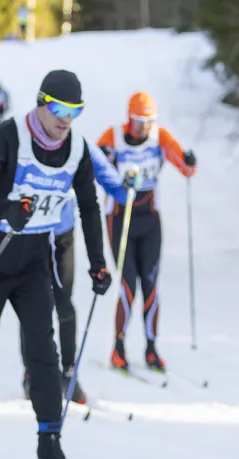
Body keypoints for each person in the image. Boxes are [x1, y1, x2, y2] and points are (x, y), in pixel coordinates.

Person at [0, 70, 114, 459]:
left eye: (74, 111)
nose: (65, 119)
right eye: (58, 109)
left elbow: (89, 207)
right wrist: (5, 208)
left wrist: (98, 261)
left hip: (33, 262)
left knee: (44, 355)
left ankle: (50, 445)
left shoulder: (75, 148)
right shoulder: (7, 138)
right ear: (41, 103)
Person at [21, 130, 136, 406]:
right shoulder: (25, 141)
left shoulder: (79, 146)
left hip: (63, 235)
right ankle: (32, 373)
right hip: (30, 235)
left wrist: (130, 183)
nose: (61, 122)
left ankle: (68, 373)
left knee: (64, 303)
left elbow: (117, 189)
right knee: (33, 305)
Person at [96, 92, 196, 373]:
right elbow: (92, 164)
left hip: (150, 218)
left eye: (149, 122)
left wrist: (189, 160)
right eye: (140, 122)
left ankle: (151, 348)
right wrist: (104, 159)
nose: (144, 128)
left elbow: (186, 169)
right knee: (128, 283)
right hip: (120, 217)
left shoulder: (159, 137)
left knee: (150, 282)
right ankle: (118, 346)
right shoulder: (113, 137)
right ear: (130, 119)